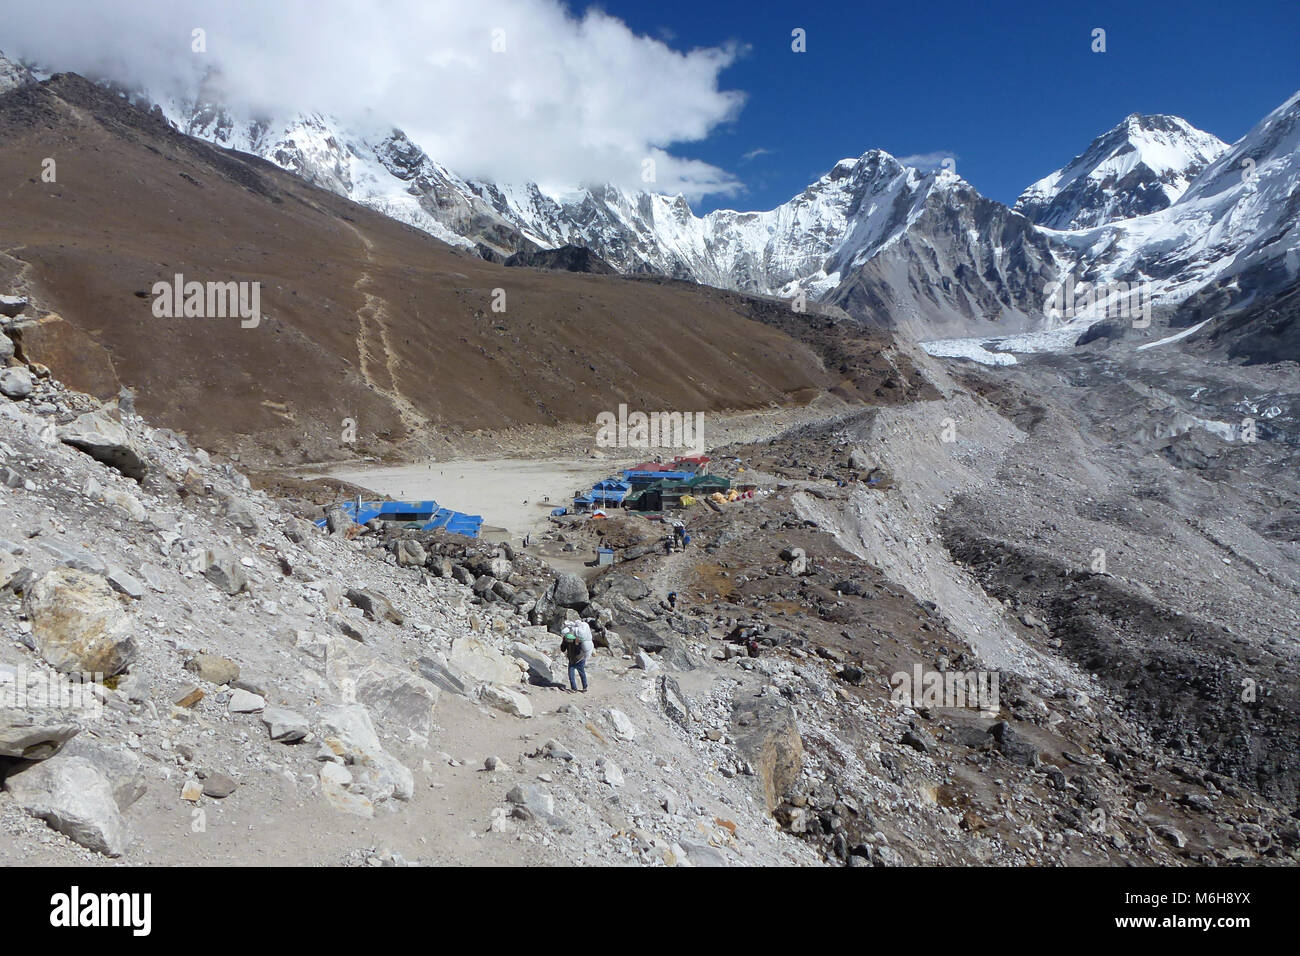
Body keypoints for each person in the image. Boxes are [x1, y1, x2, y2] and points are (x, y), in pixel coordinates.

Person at [561, 619, 594, 693]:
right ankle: (575, 688)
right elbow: (563, 649)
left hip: (579, 659)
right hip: (573, 659)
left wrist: (575, 644)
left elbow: (577, 651)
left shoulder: (576, 640)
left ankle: (584, 687)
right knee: (573, 674)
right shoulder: (569, 639)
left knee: (580, 673)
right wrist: (564, 643)